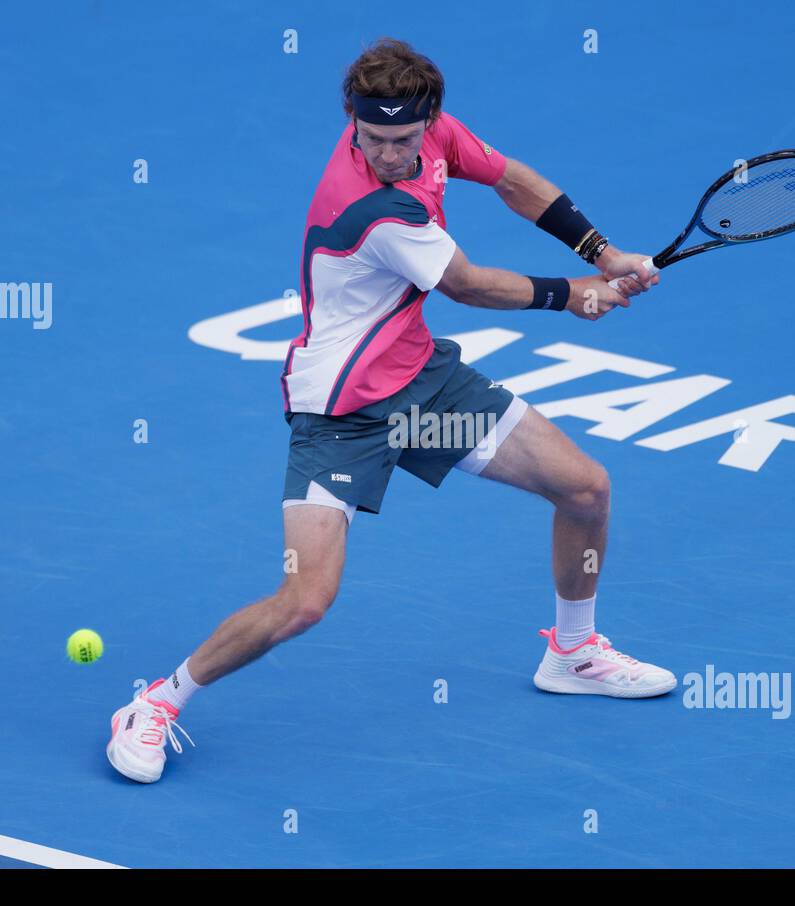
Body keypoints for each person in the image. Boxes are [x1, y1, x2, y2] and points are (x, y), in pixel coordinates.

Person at [107, 38, 674, 784]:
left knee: (585, 488)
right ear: (352, 121)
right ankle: (156, 702)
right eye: (371, 138)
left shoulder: (432, 133)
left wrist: (600, 252)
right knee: (305, 601)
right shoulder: (373, 207)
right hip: (342, 418)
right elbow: (467, 286)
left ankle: (573, 651)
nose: (388, 152)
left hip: (423, 396)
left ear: (428, 119)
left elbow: (511, 182)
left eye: (403, 139)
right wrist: (574, 294)